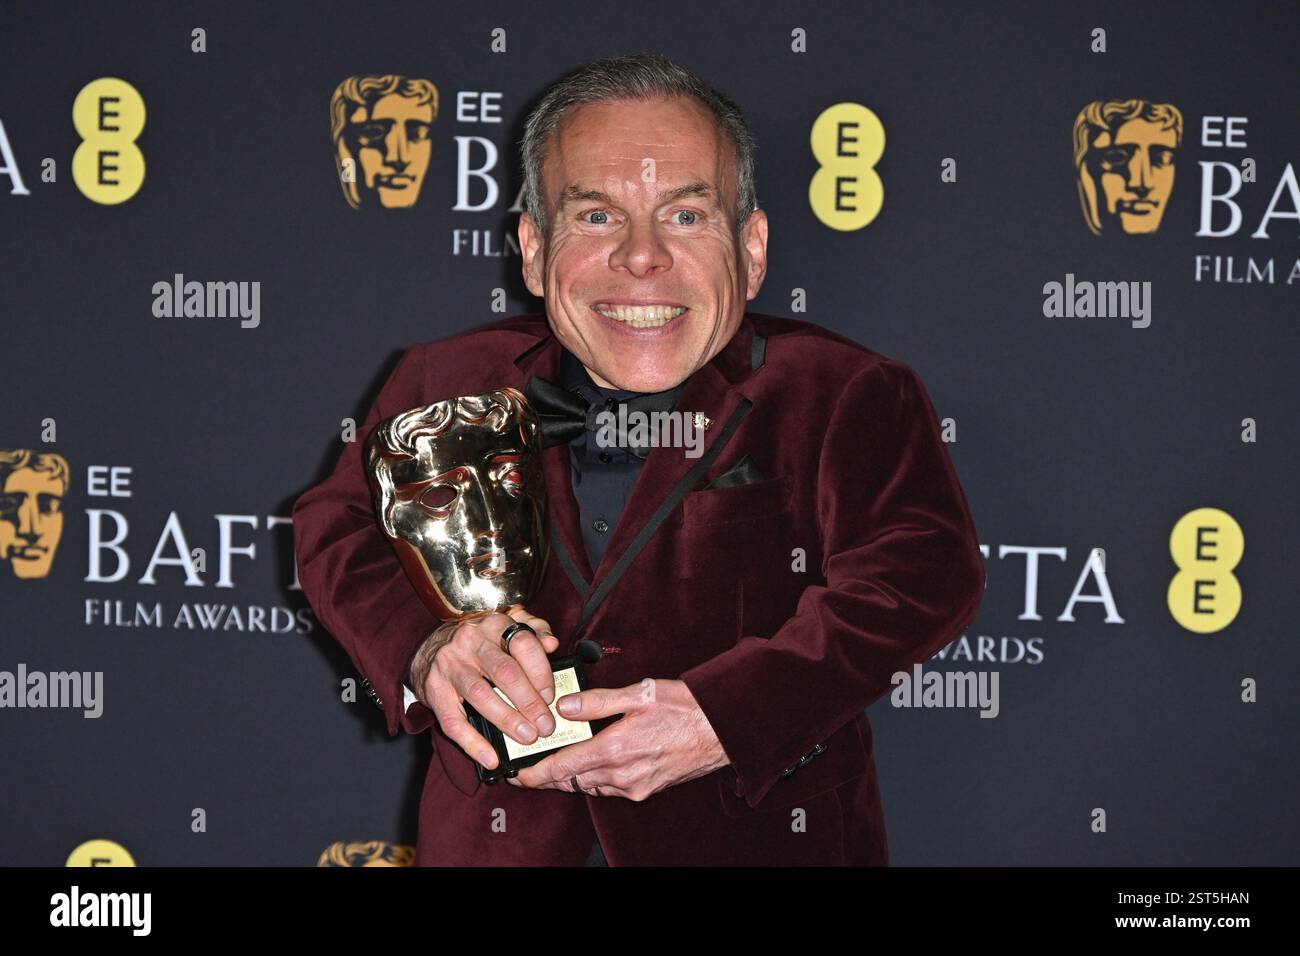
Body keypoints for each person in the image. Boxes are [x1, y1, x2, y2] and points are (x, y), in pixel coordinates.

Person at [292, 52, 984, 865]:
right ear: (532, 247)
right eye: (595, 217)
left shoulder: (849, 393)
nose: (642, 257)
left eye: (686, 216)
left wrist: (728, 718)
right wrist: (426, 647)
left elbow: (922, 576)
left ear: (753, 249)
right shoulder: (441, 379)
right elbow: (337, 527)